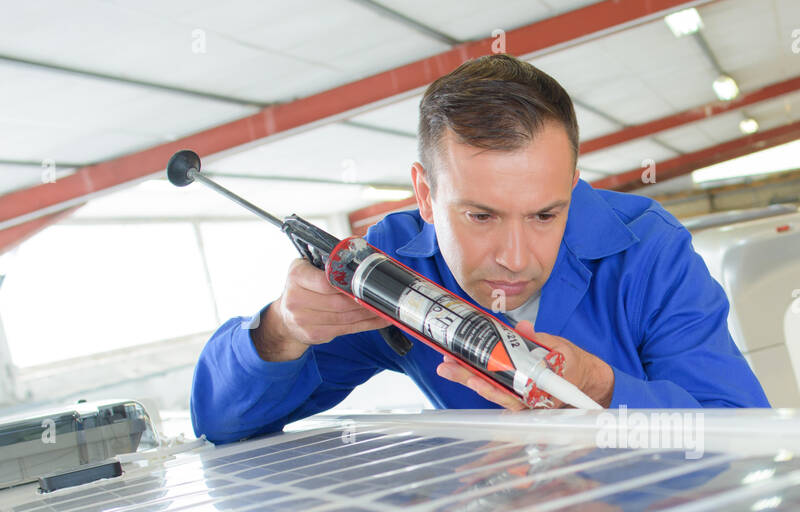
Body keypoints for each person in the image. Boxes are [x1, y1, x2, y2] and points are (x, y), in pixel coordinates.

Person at [190, 54, 769, 445]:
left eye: (545, 214)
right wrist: (281, 331)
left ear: (573, 186)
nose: (515, 257)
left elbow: (743, 433)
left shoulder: (648, 251)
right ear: (425, 194)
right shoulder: (391, 270)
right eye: (481, 216)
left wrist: (603, 390)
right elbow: (222, 424)